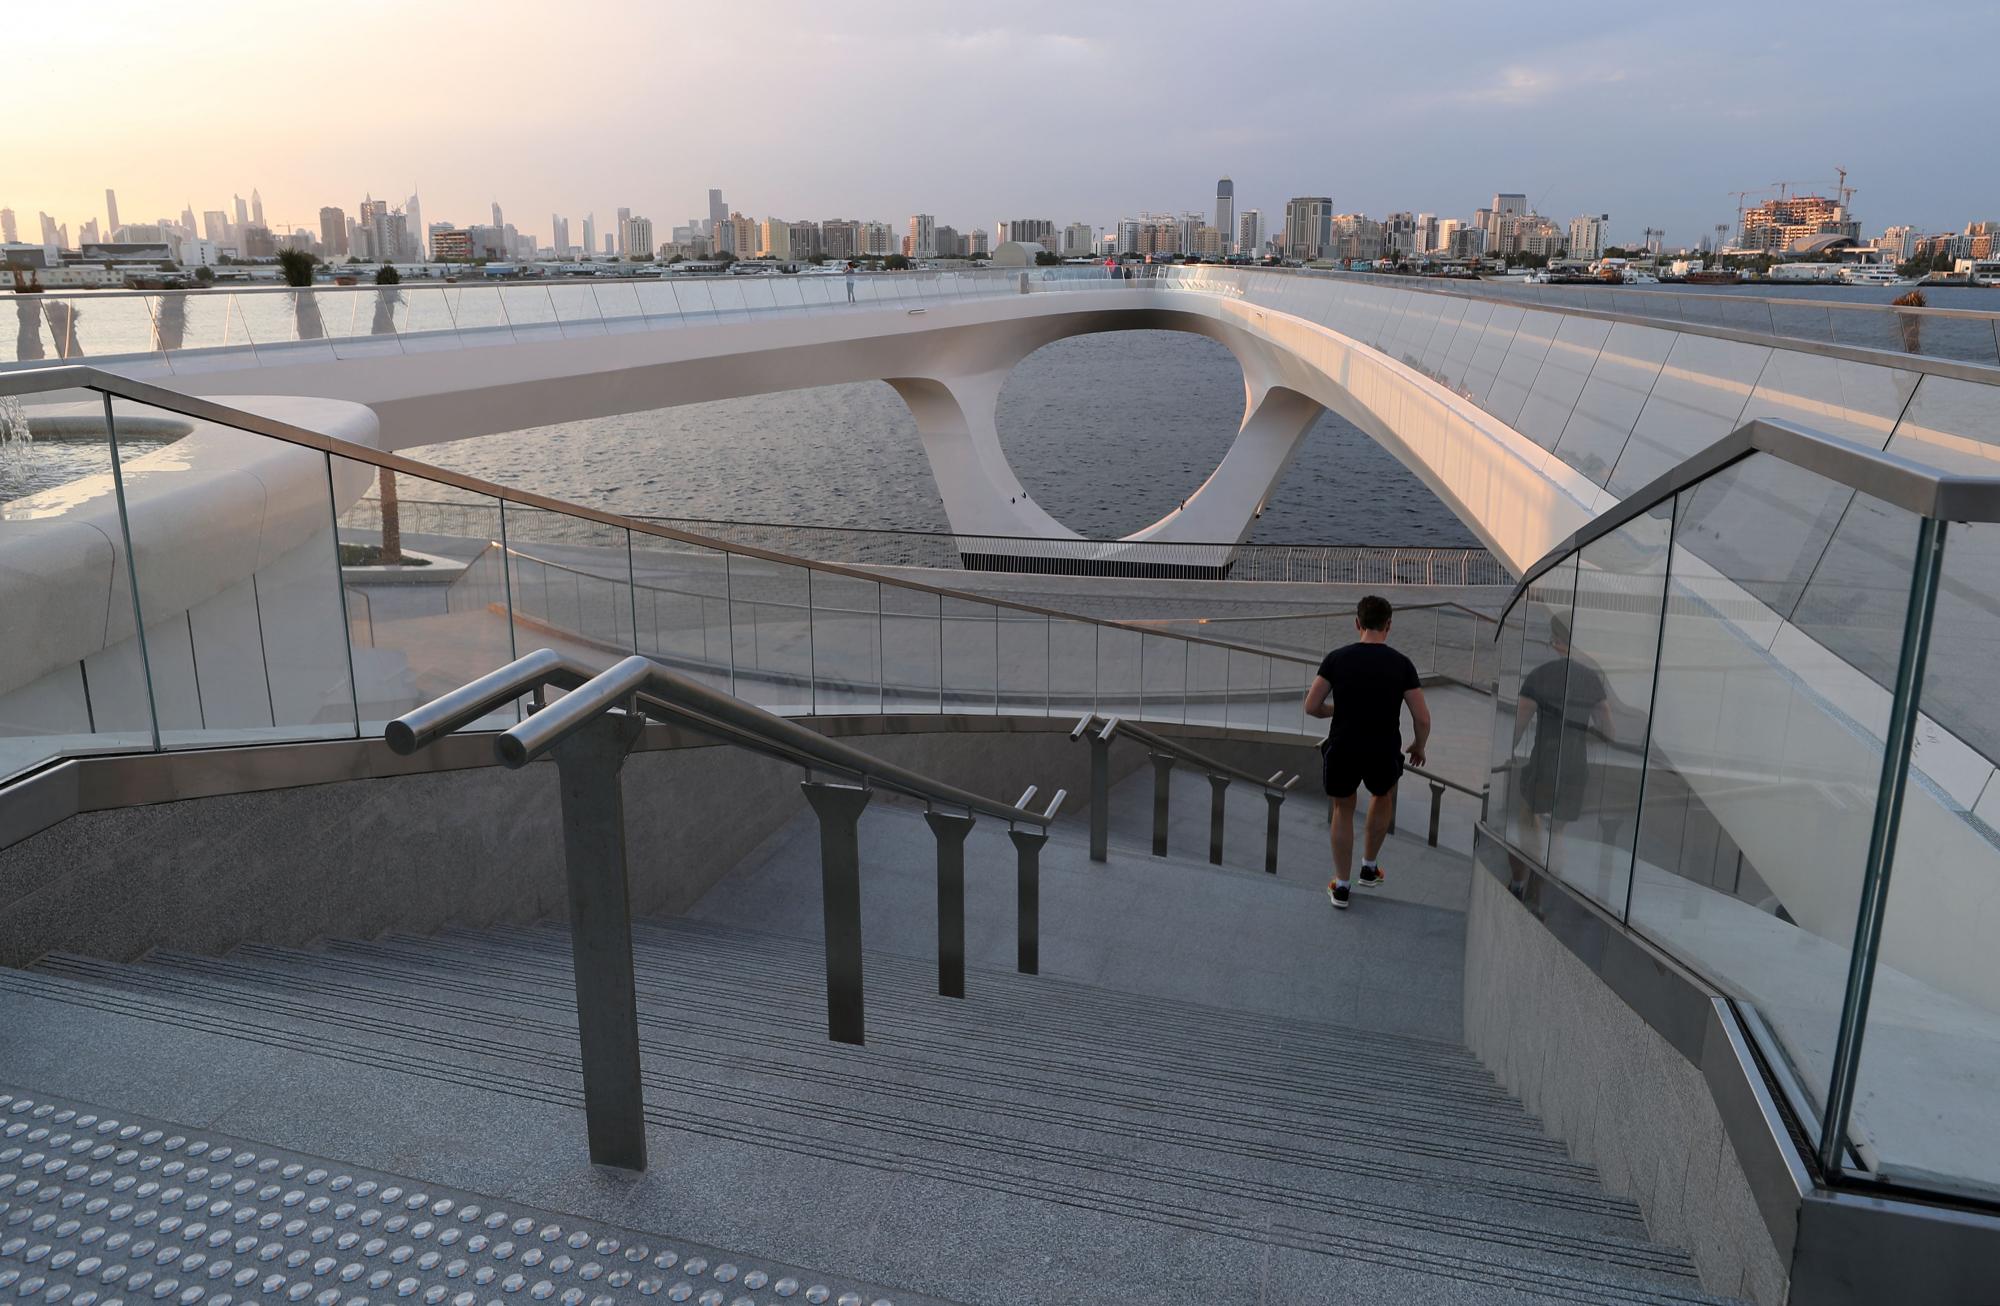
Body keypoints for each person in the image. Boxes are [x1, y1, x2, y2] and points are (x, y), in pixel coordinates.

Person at [1304, 595, 1431, 910]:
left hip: (1344, 744)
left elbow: (1311, 707)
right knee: (1381, 795)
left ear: (1357, 623)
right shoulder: (1402, 664)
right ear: (1389, 625)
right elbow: (1423, 717)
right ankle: (1370, 867)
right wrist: (1418, 745)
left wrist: (1340, 709)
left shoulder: (1336, 658)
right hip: (1382, 746)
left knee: (1343, 809)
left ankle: (1342, 886)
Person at [1509, 614, 1611, 897]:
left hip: (1544, 761)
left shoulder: (1540, 676)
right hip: (1576, 765)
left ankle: (1520, 882)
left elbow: (1520, 723)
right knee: (1559, 832)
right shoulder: (1592, 680)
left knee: (1528, 817)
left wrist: (1509, 752)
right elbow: (1608, 728)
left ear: (1555, 641)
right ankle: (1542, 888)